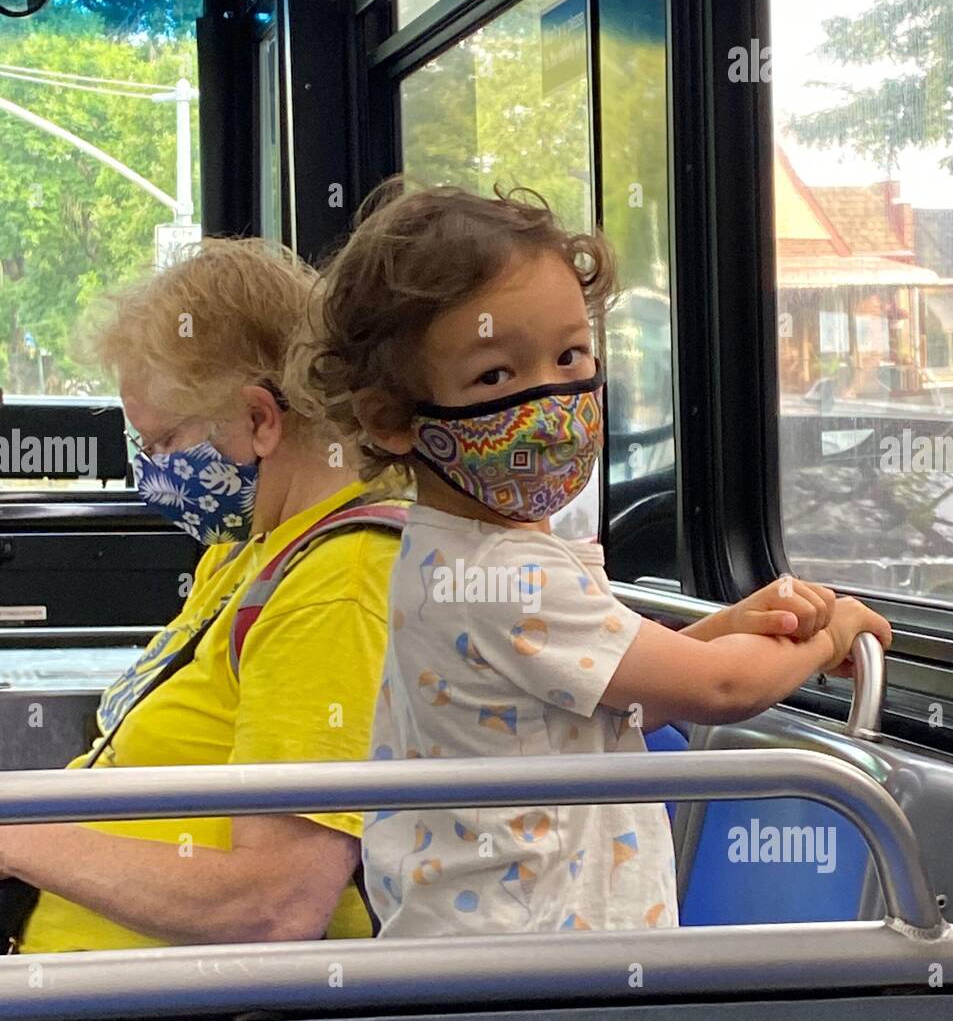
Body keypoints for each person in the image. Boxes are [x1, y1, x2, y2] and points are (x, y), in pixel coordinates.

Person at [287, 178, 893, 938]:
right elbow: (722, 686)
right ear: (393, 419)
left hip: (490, 948)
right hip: (541, 958)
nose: (552, 404)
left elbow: (615, 691)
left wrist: (736, 620)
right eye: (496, 375)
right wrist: (831, 636)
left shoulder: (453, 549)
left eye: (570, 355)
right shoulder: (507, 575)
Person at [1, 237, 402, 953]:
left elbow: (276, 903)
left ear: (259, 419)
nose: (151, 473)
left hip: (164, 1006)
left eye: (163, 444)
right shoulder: (248, 551)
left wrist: (18, 841)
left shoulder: (337, 588)